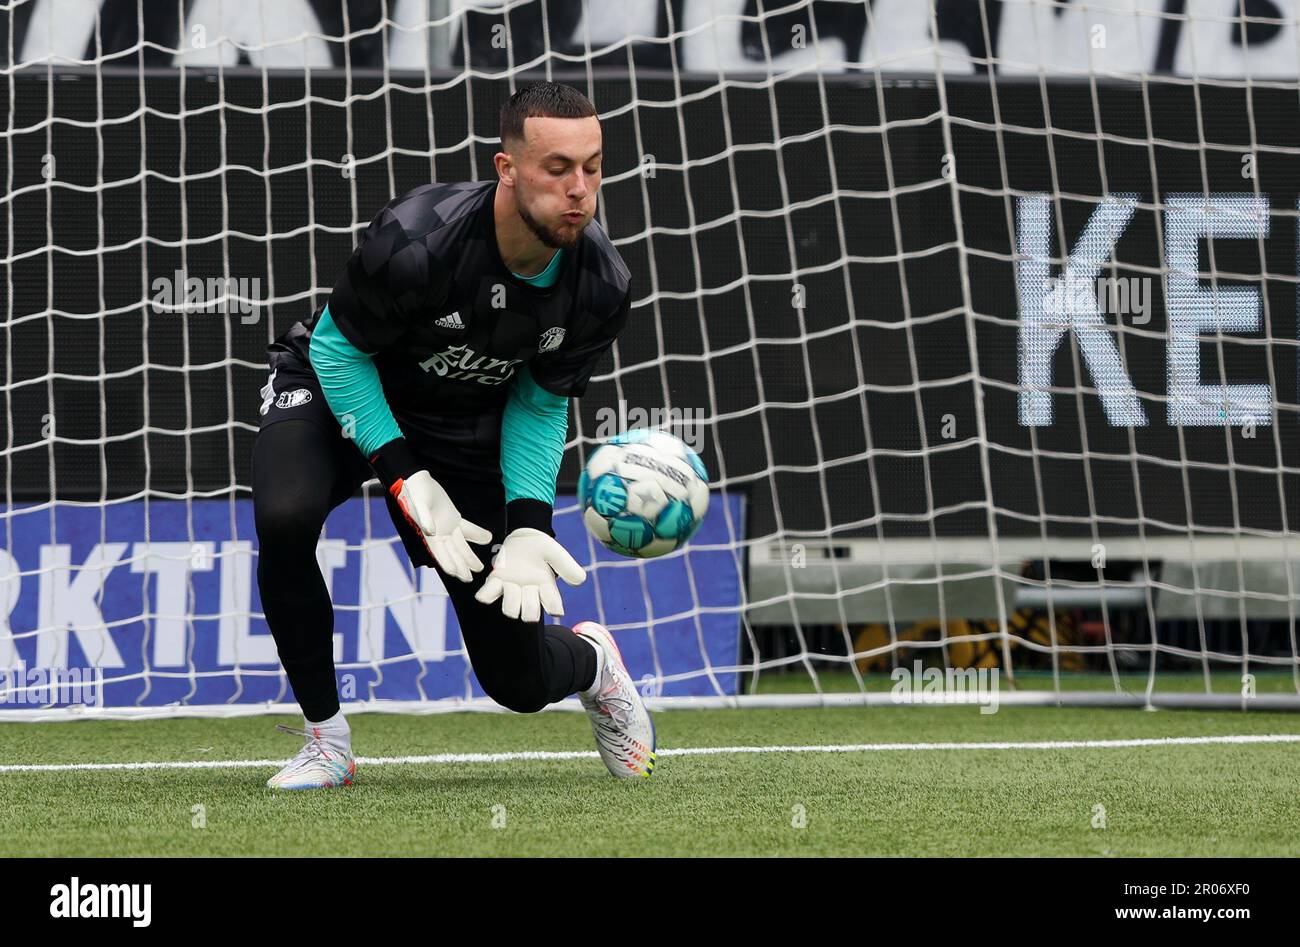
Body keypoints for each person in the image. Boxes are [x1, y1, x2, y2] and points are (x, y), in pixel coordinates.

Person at [251, 81, 655, 789]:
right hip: (338, 382)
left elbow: (537, 403)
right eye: (557, 168)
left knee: (517, 681)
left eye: (592, 167)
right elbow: (340, 352)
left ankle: (593, 665)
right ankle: (326, 740)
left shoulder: (600, 285)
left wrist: (530, 527)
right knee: (284, 516)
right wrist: (406, 475)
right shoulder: (418, 238)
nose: (579, 189)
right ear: (507, 168)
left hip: (462, 426)